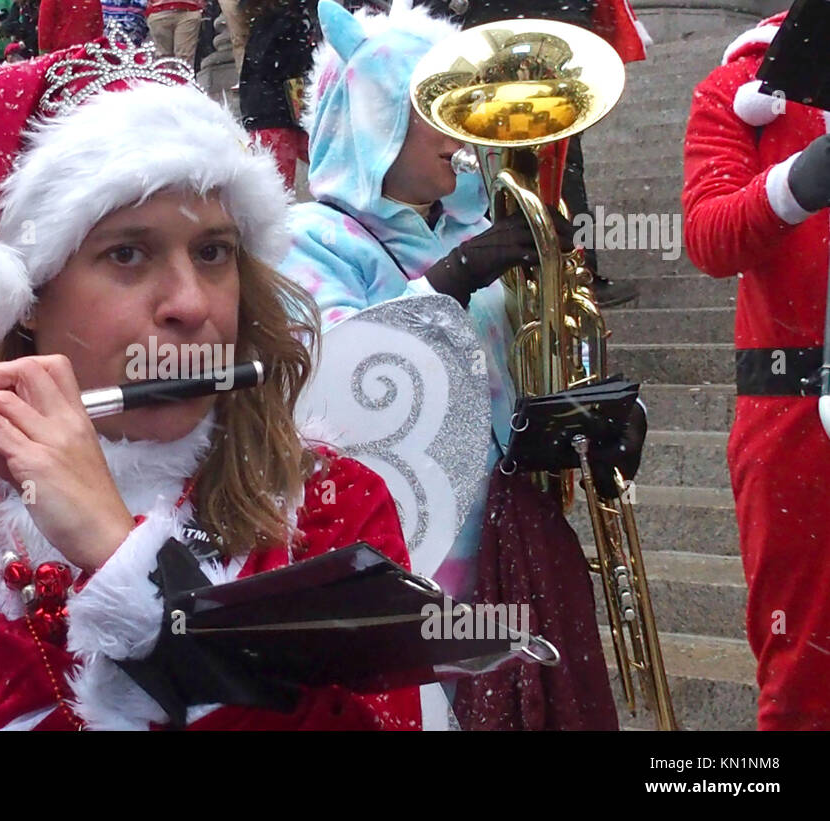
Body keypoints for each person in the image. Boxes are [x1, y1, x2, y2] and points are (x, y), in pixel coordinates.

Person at [0, 37, 423, 731]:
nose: (191, 302)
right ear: (28, 299)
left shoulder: (331, 508)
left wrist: (125, 562)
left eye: (213, 252)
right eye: (128, 253)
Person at [279, 0, 644, 729]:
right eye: (434, 110)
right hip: (397, 563)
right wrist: (450, 279)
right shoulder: (309, 237)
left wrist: (594, 408)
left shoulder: (478, 230)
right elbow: (330, 385)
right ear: (377, 116)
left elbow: (535, 368)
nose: (463, 134)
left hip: (509, 552)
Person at [681, 11, 830, 731]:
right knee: (803, 682)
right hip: (795, 411)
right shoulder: (740, 86)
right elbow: (708, 235)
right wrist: (800, 182)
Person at [410, 0, 651, 308]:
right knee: (554, 161)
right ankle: (567, 268)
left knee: (556, 158)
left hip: (503, 19)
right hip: (533, 19)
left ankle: (566, 268)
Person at [239, 0, 317, 189]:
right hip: (280, 112)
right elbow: (282, 65)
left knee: (279, 189)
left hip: (266, 112)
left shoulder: (266, 23)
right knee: (281, 189)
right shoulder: (286, 23)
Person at [146, 0, 204, 64]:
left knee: (184, 57)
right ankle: (167, 72)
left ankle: (180, 72)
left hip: (189, 11)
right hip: (159, 11)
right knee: (164, 59)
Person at [38, 0, 103, 53]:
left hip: (59, 53)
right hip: (85, 53)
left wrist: (44, 52)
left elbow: (45, 25)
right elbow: (98, 28)